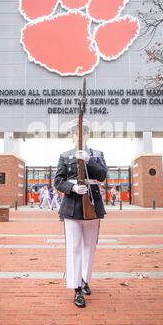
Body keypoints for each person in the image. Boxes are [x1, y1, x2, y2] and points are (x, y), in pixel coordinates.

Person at [54, 118, 107, 308]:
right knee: (74, 247)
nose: (79, 135)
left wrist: (89, 160)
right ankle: (76, 288)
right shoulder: (65, 155)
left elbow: (101, 175)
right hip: (72, 204)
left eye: (83, 132)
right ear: (72, 136)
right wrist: (73, 188)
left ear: (88, 135)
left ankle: (85, 280)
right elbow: (58, 181)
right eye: (76, 133)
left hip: (92, 204)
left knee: (89, 246)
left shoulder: (97, 154)